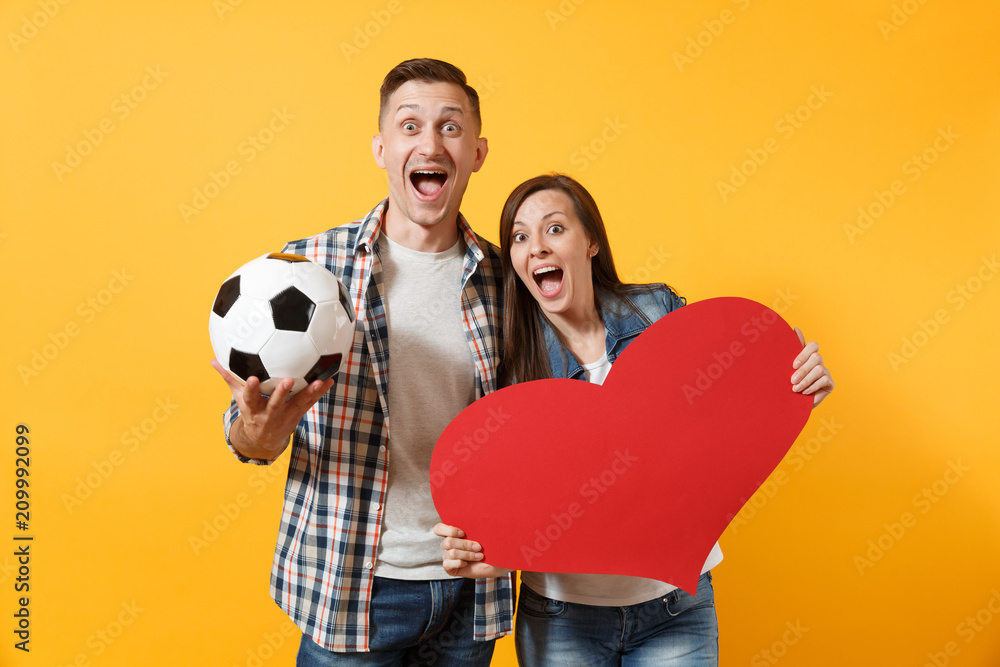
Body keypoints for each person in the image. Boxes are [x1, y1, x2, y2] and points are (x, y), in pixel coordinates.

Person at [435, 173, 834, 666]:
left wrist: (789, 395)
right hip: (562, 618)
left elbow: (715, 428)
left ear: (591, 242)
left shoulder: (657, 313)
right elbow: (509, 487)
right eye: (519, 237)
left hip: (676, 608)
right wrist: (488, 548)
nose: (536, 247)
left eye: (554, 229)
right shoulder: (510, 359)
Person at [211, 59, 514, 666]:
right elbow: (250, 437)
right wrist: (258, 432)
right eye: (410, 126)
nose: (430, 143)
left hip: (470, 596)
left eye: (450, 127)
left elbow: (541, 434)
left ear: (477, 152)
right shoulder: (305, 270)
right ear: (381, 148)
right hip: (350, 587)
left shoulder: (509, 283)